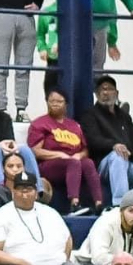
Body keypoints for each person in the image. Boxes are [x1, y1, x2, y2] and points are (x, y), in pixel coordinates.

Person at [29, 88, 104, 216]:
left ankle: (99, 204)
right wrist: (59, 155)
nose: (55, 104)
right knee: (73, 163)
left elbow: (85, 149)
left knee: (88, 163)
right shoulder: (40, 123)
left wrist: (79, 155)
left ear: (66, 104)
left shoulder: (74, 125)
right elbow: (35, 151)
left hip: (72, 163)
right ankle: (74, 204)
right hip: (48, 165)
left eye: (59, 101)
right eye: (51, 101)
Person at [80, 75, 133, 205]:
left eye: (109, 89)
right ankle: (121, 205)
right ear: (97, 94)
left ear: (117, 93)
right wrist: (113, 145)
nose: (105, 93)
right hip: (107, 165)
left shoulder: (123, 115)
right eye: (102, 90)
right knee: (118, 156)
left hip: (131, 164)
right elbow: (93, 140)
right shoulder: (90, 114)